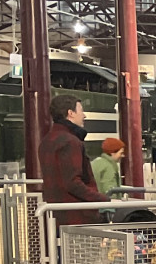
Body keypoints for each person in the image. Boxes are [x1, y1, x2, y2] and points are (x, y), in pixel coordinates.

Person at [39, 94, 108, 224]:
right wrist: (102, 199)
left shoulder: (46, 141)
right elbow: (73, 183)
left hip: (54, 215)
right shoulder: (71, 141)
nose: (84, 115)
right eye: (81, 110)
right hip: (77, 215)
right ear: (70, 113)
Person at [91, 136, 126, 200]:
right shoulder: (108, 167)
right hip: (105, 207)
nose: (123, 156)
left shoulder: (96, 163)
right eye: (121, 153)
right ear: (112, 153)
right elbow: (110, 191)